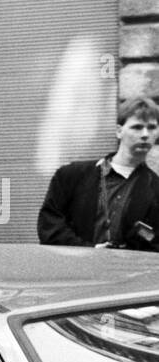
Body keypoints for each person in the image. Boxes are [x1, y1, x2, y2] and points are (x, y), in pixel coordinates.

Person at [38, 96, 159, 251]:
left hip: (124, 272)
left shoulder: (155, 189)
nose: (145, 134)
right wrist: (89, 250)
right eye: (137, 127)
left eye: (152, 127)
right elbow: (50, 228)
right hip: (72, 269)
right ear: (119, 131)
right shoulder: (70, 176)